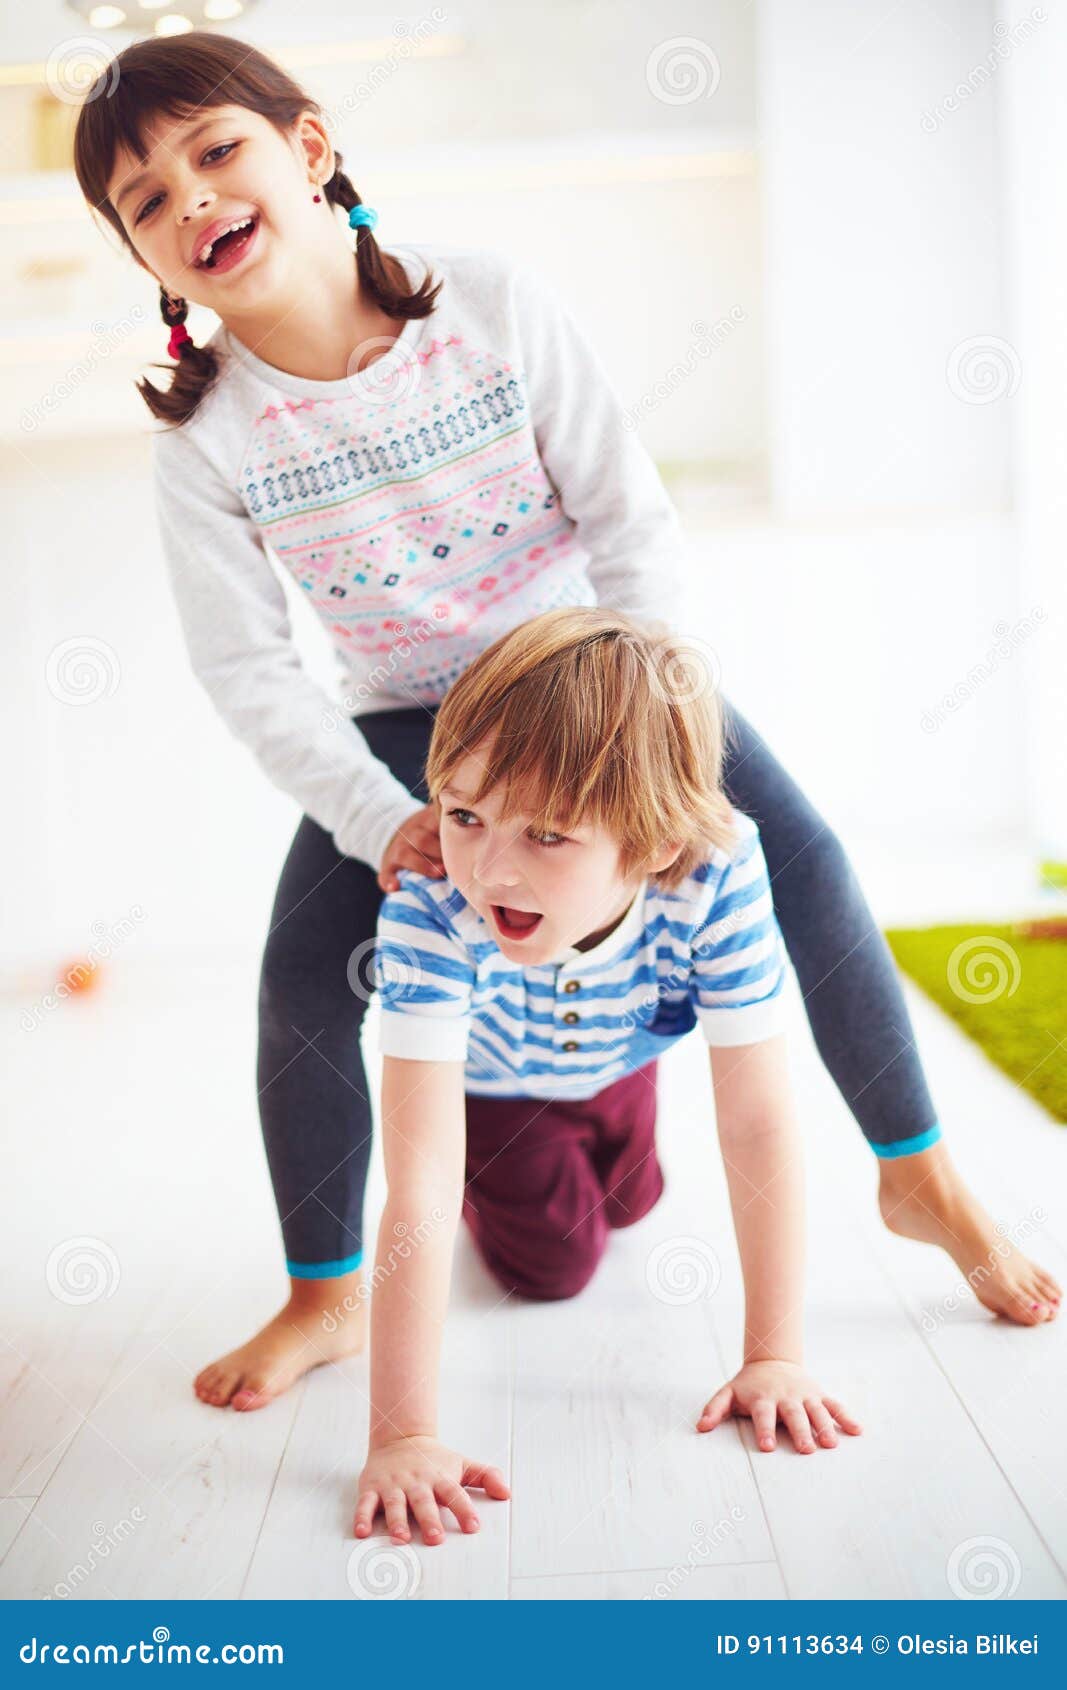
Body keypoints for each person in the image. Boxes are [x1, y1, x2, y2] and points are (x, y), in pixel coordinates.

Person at [71, 31, 1059, 1417]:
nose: (190, 199)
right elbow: (249, 671)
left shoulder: (488, 306)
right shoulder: (209, 439)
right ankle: (325, 1288)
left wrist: (655, 716)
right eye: (145, 199)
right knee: (301, 981)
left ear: (308, 149)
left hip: (599, 681)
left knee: (804, 859)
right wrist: (379, 819)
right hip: (410, 728)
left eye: (215, 152)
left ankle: (917, 1173)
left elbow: (627, 521)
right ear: (145, 256)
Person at [358, 606, 865, 1546]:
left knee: (634, 1201)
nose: (489, 871)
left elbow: (757, 1121)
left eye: (547, 836)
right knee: (555, 1266)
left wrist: (774, 1356)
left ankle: (598, 1150)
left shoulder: (716, 870)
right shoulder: (430, 906)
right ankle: (499, 1190)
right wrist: (403, 1435)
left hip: (622, 1064)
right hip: (495, 1096)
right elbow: (418, 1179)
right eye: (464, 816)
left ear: (655, 844)